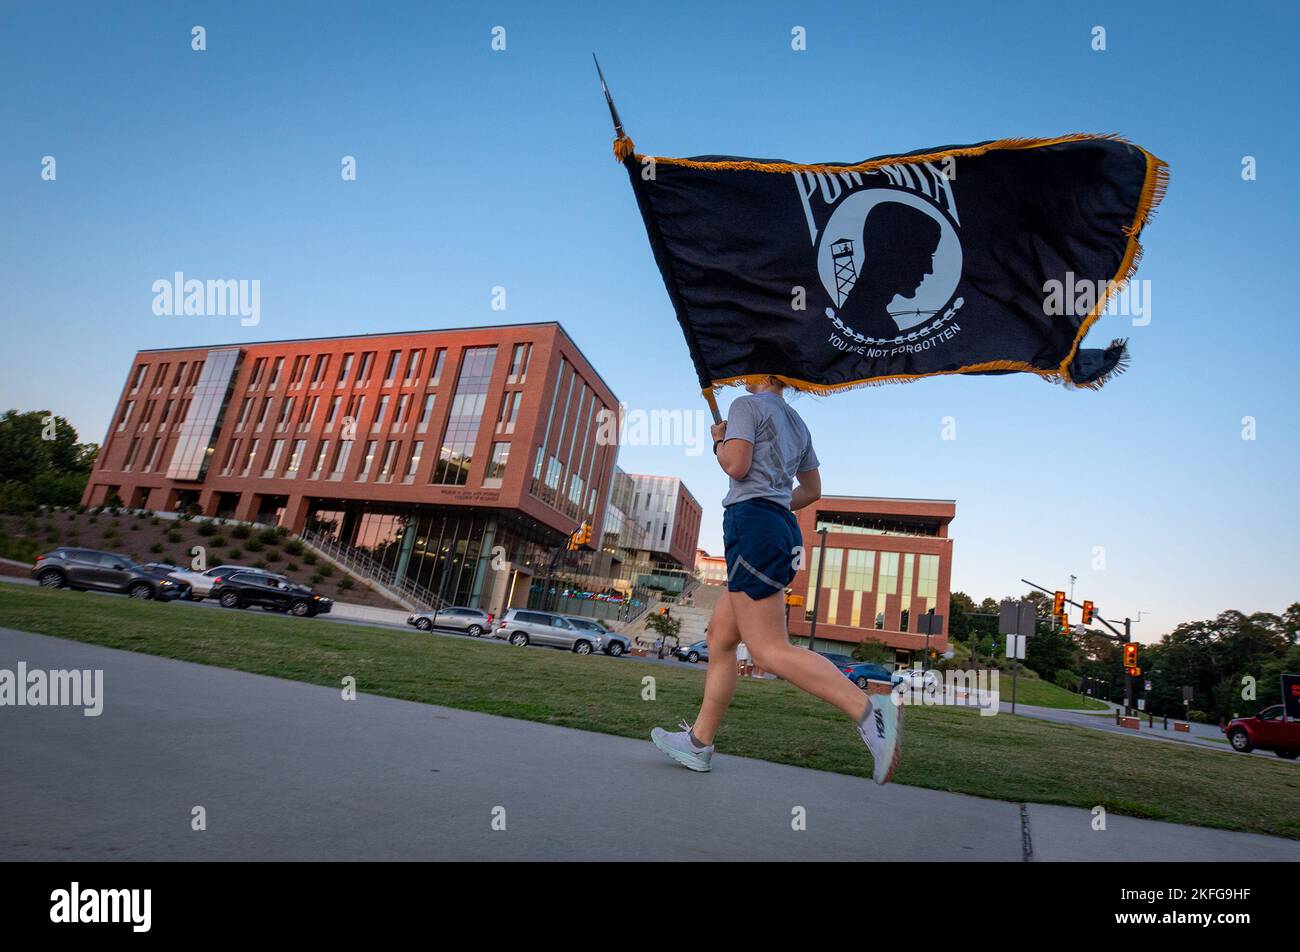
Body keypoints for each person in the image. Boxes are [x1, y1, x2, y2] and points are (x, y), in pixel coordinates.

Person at [650, 376, 903, 784]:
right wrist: (777, 498)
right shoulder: (797, 422)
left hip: (752, 525)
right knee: (719, 637)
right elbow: (813, 489)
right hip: (780, 527)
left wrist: (719, 441)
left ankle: (869, 711)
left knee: (768, 651)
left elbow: (736, 465)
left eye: (750, 366)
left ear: (764, 373)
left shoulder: (743, 408)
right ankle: (699, 742)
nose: (741, 374)